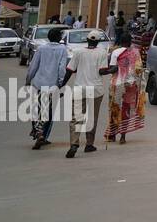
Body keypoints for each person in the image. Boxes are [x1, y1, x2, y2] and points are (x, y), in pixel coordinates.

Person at [64, 30, 114, 158]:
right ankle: (89, 144)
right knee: (91, 118)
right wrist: (112, 70)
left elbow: (69, 70)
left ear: (87, 40)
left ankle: (74, 144)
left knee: (76, 118)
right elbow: (102, 71)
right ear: (97, 41)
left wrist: (62, 84)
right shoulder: (102, 52)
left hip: (79, 89)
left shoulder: (78, 52)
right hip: (96, 90)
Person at [26, 26, 70, 149]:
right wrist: (60, 84)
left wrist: (28, 80)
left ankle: (37, 132)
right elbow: (62, 69)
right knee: (47, 111)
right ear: (59, 38)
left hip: (38, 83)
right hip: (52, 85)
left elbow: (33, 66)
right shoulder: (62, 49)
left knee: (37, 109)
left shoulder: (41, 48)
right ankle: (41, 134)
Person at [105, 30, 149, 144]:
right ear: (130, 42)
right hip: (131, 85)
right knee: (126, 109)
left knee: (115, 107)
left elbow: (113, 68)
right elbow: (139, 69)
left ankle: (112, 134)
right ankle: (123, 137)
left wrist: (104, 71)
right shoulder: (136, 52)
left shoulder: (116, 52)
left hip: (117, 84)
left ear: (121, 41)